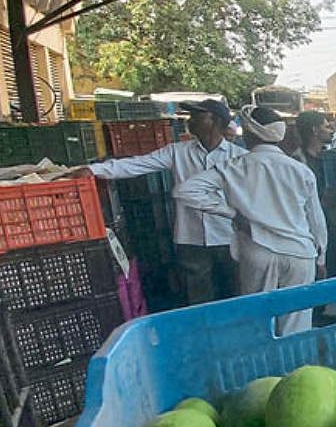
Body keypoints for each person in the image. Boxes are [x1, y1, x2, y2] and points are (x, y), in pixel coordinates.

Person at [175, 105, 328, 335]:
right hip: (301, 254)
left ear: (249, 133)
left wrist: (231, 213)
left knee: (260, 322)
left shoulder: (234, 166)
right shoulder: (300, 170)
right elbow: (316, 219)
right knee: (297, 325)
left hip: (258, 251)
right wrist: (321, 256)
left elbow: (184, 191)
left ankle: (266, 368)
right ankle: (296, 367)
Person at [88, 99, 246, 306]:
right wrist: (94, 170)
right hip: (191, 238)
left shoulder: (241, 157)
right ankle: (202, 333)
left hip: (229, 236)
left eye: (197, 115)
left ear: (215, 120)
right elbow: (137, 164)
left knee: (235, 291)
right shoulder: (177, 151)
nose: (190, 120)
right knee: (197, 297)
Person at [293, 110, 334, 185]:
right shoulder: (297, 161)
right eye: (327, 127)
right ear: (315, 130)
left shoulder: (330, 155)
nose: (332, 131)